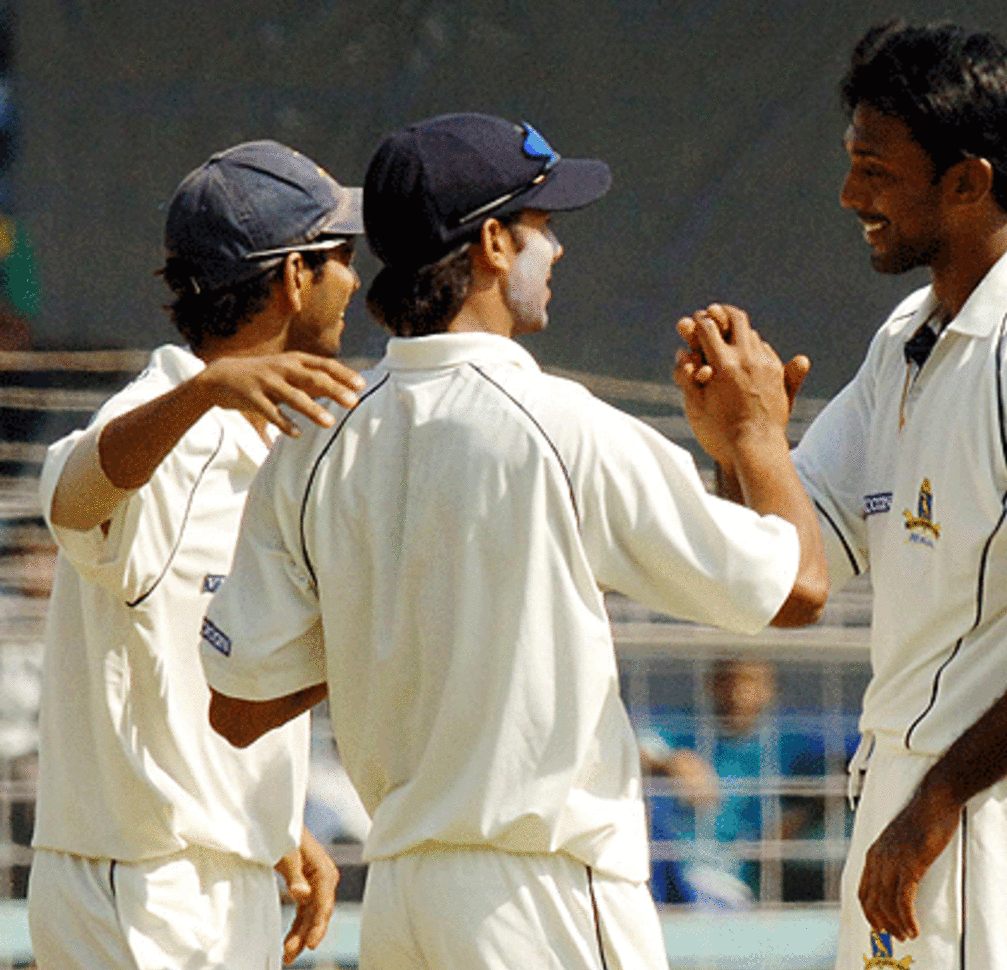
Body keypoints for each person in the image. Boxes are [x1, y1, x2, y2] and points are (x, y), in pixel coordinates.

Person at [199, 112, 828, 970]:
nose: (556, 252)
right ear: (492, 242)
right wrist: (754, 438)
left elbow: (238, 705)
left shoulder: (314, 442)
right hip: (544, 895)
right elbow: (795, 592)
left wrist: (397, 620)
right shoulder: (562, 427)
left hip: (403, 901)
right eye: (543, 226)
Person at [676, 20, 1007, 970]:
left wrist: (942, 798)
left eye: (876, 169)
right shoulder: (909, 333)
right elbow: (789, 576)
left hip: (995, 814)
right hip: (917, 801)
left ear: (967, 181)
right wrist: (739, 448)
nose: (851, 195)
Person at [29, 140, 367, 969]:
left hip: (213, 875)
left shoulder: (262, 439)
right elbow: (71, 501)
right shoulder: (163, 421)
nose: (354, 282)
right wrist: (203, 392)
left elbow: (194, 660)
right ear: (293, 276)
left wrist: (270, 822)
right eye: (341, 258)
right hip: (147, 888)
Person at [640, 658, 777, 907]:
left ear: (769, 690)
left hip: (737, 879)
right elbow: (630, 752)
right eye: (728, 681)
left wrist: (805, 811)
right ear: (710, 685)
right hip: (676, 867)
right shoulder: (683, 729)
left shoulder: (786, 742)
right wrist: (671, 761)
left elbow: (838, 771)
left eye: (751, 682)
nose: (738, 693)